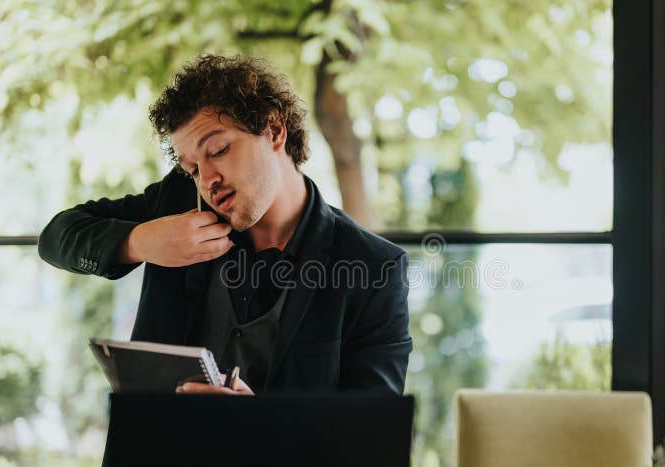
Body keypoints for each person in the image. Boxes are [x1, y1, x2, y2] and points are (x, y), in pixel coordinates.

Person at [38, 54, 412, 397]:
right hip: (154, 463)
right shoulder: (178, 205)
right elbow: (56, 236)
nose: (207, 180)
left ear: (275, 130)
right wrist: (141, 241)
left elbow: (367, 439)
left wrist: (256, 424)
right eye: (192, 168)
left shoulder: (376, 269)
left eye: (218, 151)